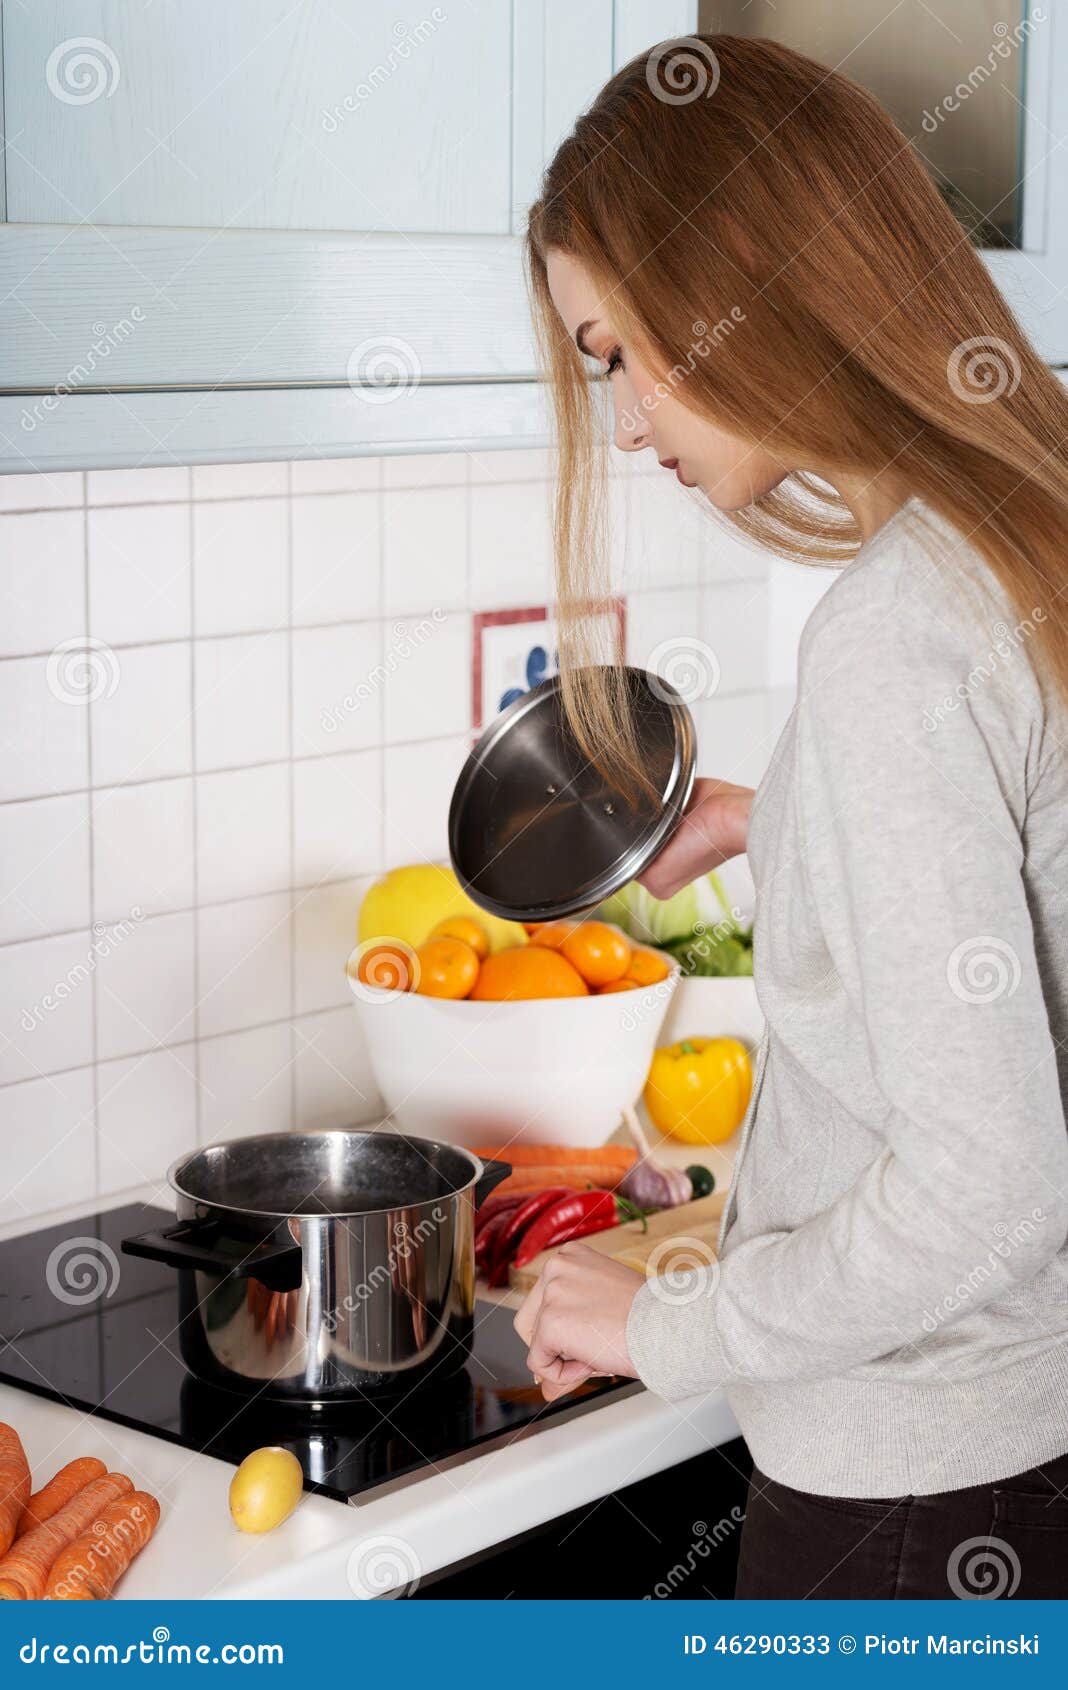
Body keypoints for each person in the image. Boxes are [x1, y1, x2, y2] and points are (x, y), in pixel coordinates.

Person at [513, 34, 1068, 1599]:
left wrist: (664, 1325)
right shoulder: (1018, 537)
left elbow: (992, 1187)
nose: (620, 427)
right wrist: (788, 824)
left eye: (618, 350)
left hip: (913, 1490)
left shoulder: (898, 630)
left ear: (741, 287)